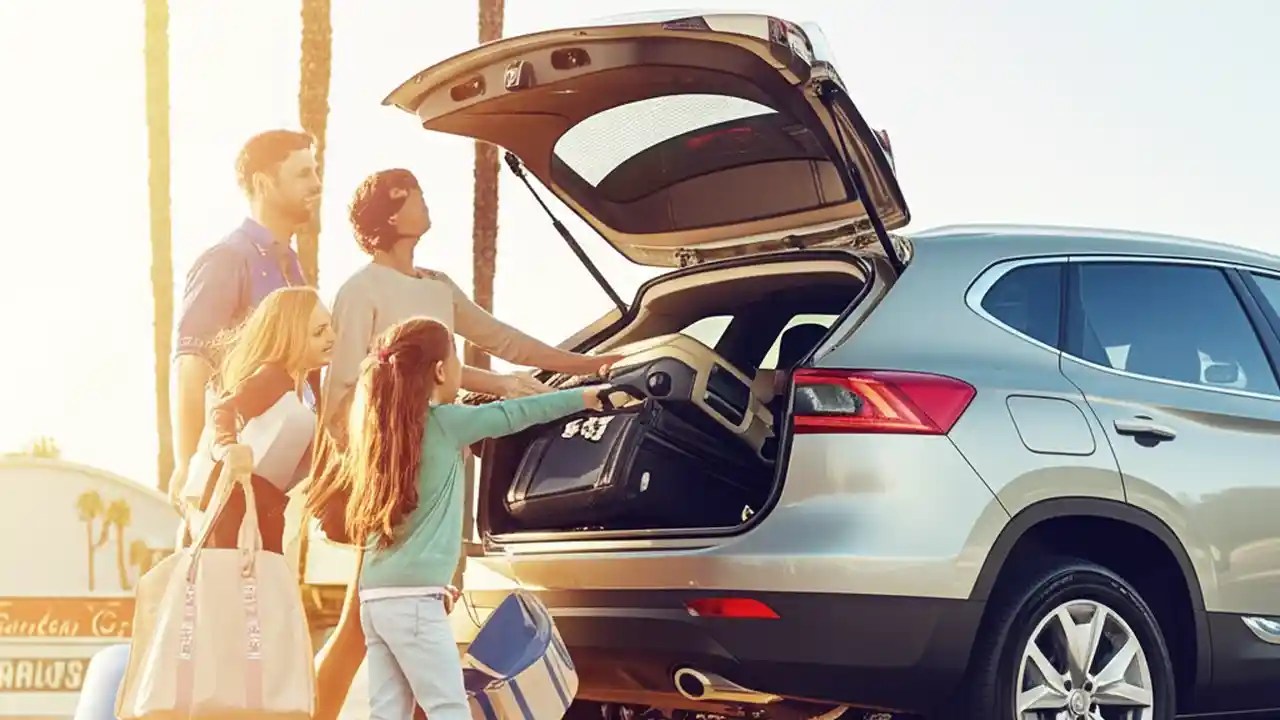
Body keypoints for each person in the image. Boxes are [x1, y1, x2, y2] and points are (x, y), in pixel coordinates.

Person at [307, 168, 622, 719]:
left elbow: (498, 341)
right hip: (385, 484)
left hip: (435, 468)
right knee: (365, 628)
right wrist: (376, 470)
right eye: (417, 194)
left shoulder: (437, 285)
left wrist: (586, 365)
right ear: (390, 212)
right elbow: (343, 393)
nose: (428, 201)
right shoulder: (361, 290)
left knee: (418, 626)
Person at [342, 317, 607, 720]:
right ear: (440, 370)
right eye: (458, 364)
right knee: (449, 708)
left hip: (375, 598)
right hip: (412, 603)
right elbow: (515, 414)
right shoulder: (445, 422)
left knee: (387, 713)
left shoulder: (381, 433)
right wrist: (585, 398)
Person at [168, 129, 322, 511]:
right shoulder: (227, 260)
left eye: (315, 171)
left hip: (288, 479)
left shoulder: (292, 269)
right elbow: (192, 364)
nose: (317, 184)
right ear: (263, 184)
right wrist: (186, 462)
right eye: (303, 173)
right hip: (234, 477)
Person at [189, 287, 334, 553]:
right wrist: (228, 446)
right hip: (237, 509)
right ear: (291, 336)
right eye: (318, 332)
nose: (331, 337)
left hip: (263, 507)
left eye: (330, 328)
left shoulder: (304, 390)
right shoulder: (272, 377)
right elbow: (224, 410)